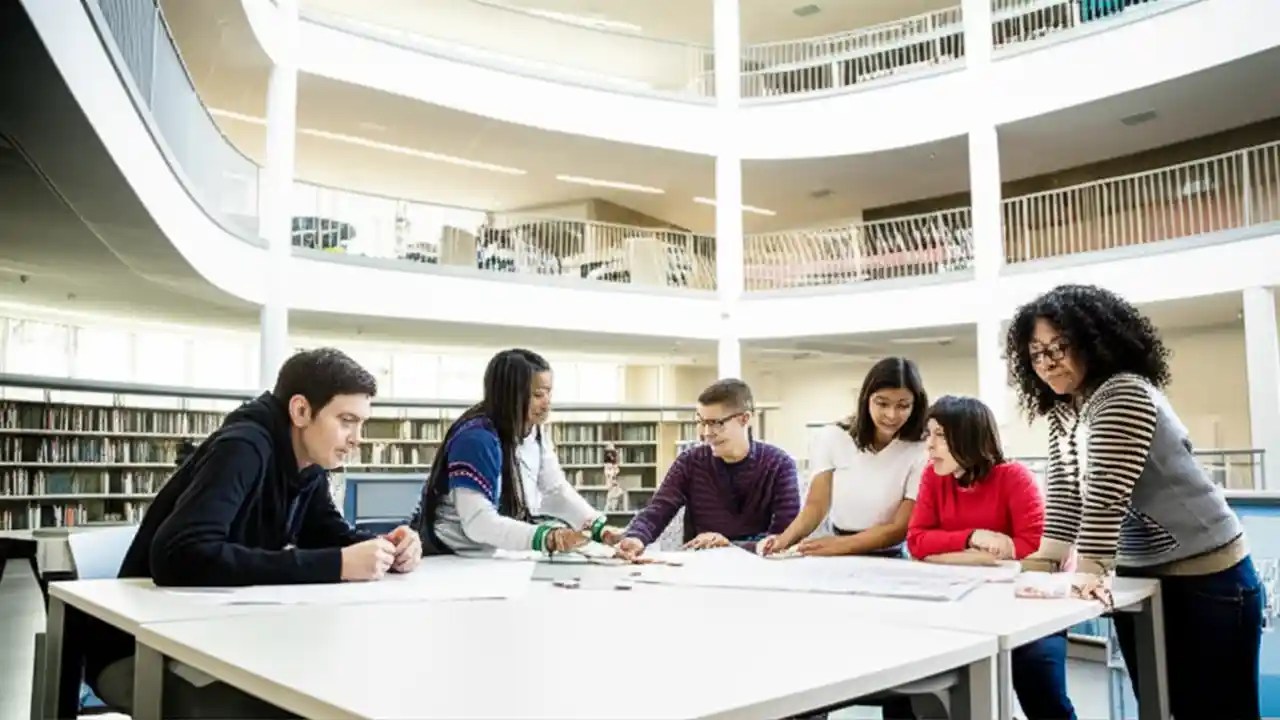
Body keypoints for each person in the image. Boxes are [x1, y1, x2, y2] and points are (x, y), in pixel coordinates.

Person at [87, 347, 423, 719]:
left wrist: (387, 547)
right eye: (346, 420)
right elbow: (179, 557)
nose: (358, 438)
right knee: (295, 709)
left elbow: (328, 535)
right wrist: (337, 563)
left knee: (346, 682)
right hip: (144, 647)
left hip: (214, 638)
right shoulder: (244, 446)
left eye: (362, 423)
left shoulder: (306, 465)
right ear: (300, 411)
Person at [1007, 283, 1263, 720]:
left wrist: (1087, 572)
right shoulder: (1065, 410)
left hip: (1207, 579)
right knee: (1162, 707)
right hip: (1140, 577)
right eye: (1036, 354)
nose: (1048, 364)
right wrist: (1042, 563)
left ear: (1094, 341)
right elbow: (1067, 492)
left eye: (1059, 347)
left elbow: (1106, 494)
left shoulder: (1122, 392)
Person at [906, 395, 1076, 720]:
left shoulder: (1014, 477)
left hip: (1027, 610)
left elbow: (1034, 549)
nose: (929, 445)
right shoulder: (933, 476)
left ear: (969, 436)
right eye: (929, 434)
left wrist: (946, 555)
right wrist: (975, 539)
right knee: (935, 687)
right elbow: (916, 542)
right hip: (960, 608)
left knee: (1039, 679)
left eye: (939, 435)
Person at [413, 348, 625, 555]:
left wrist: (597, 527)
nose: (547, 403)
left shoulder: (535, 432)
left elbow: (555, 490)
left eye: (548, 393)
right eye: (537, 395)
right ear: (510, 396)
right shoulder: (477, 440)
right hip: (453, 554)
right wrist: (548, 538)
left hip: (497, 550)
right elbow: (478, 523)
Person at [760, 357, 928, 557]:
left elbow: (899, 526)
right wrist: (783, 540)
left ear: (915, 406)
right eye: (882, 404)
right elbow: (816, 506)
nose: (891, 415)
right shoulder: (833, 436)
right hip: (838, 544)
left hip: (888, 552)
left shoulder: (922, 449)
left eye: (903, 406)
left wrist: (842, 546)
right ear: (866, 399)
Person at [616, 379, 800, 557]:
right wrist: (636, 538)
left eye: (716, 423)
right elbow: (658, 509)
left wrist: (730, 546)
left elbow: (784, 536)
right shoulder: (690, 462)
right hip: (699, 568)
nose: (706, 433)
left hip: (761, 570)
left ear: (744, 419)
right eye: (701, 422)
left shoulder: (780, 465)